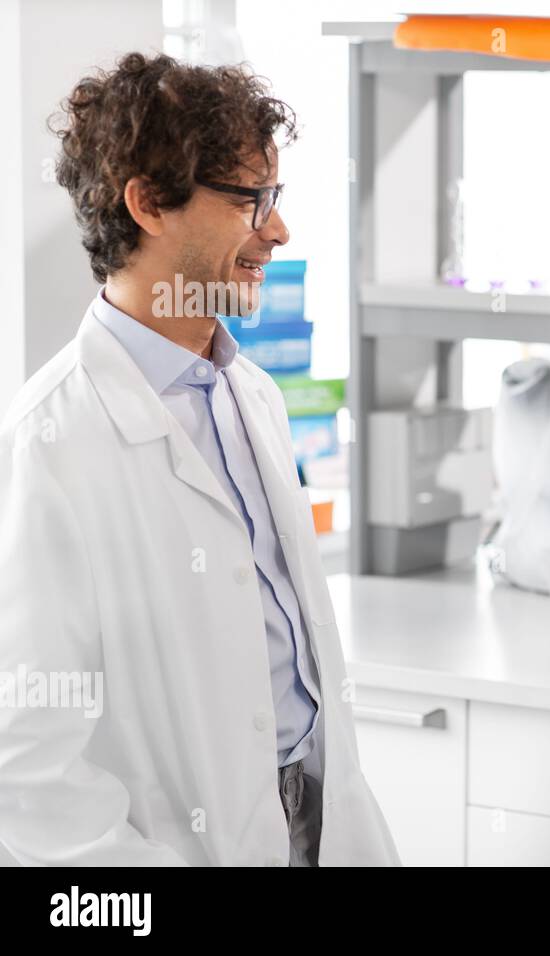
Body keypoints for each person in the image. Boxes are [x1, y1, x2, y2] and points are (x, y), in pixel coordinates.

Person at [0, 52, 398, 865]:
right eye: (249, 201)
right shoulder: (48, 444)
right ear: (148, 204)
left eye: (274, 198)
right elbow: (24, 773)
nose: (277, 229)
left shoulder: (252, 395)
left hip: (314, 823)